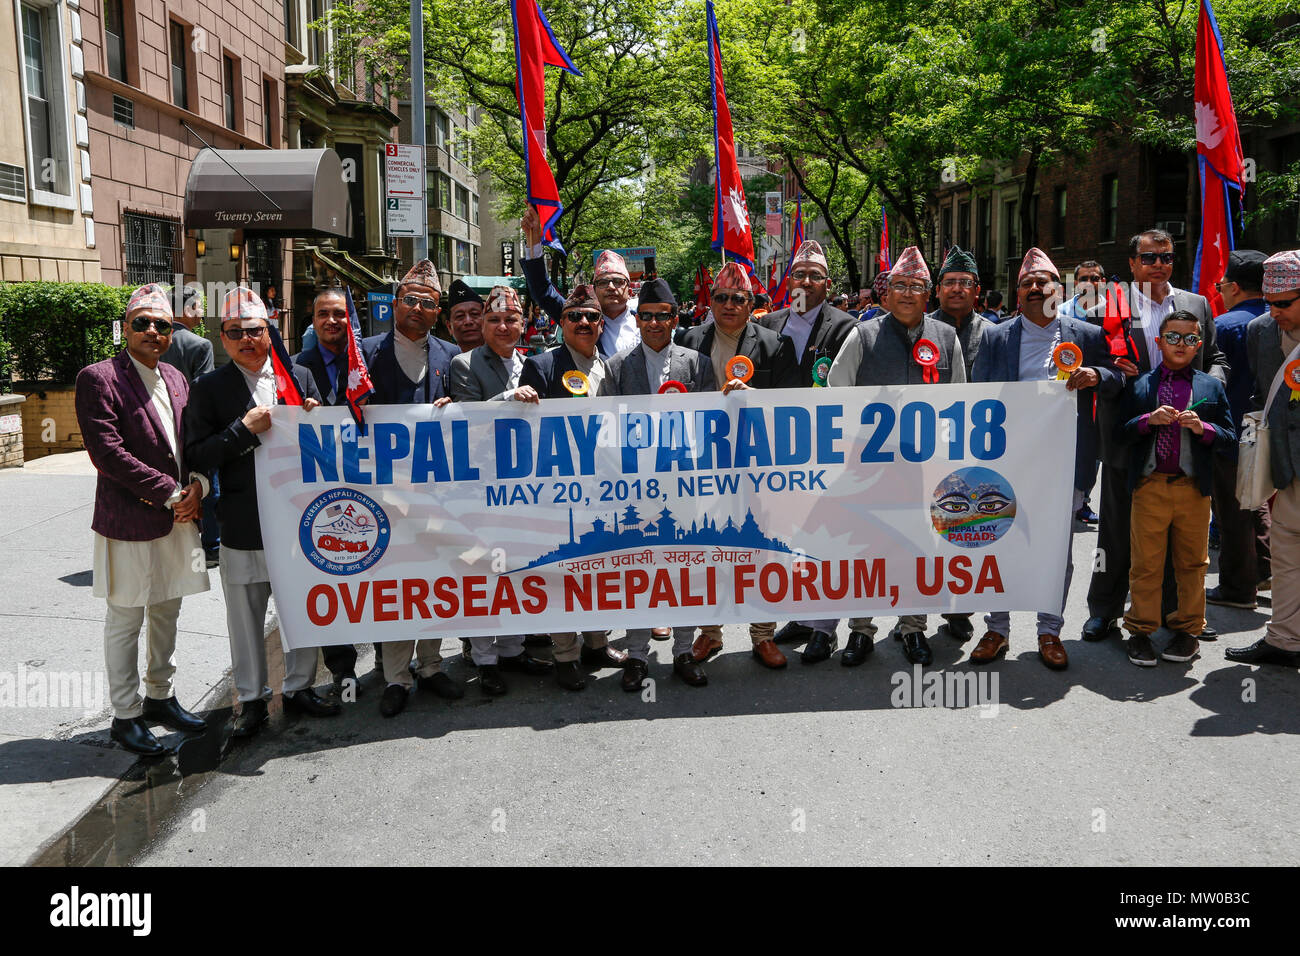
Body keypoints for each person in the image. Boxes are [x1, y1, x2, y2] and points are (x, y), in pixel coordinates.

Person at [184, 287, 341, 738]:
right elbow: (197, 453)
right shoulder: (209, 389)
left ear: (269, 331)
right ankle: (250, 700)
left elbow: (324, 444)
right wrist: (242, 430)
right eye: (235, 333)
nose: (247, 340)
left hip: (299, 521)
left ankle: (299, 687)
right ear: (223, 338)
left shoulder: (300, 375)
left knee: (302, 608)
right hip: (244, 523)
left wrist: (314, 414)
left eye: (255, 330)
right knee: (245, 616)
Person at [967, 249, 1121, 670]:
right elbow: (979, 396)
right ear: (1018, 294)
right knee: (997, 544)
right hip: (1009, 461)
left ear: (1059, 289)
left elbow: (1119, 375)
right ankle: (997, 628)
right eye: (1028, 284)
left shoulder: (1085, 335)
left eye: (1045, 283)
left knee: (1056, 550)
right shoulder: (997, 336)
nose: (1037, 290)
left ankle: (1049, 630)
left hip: (1066, 463)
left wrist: (1098, 376)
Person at [74, 283, 211, 756]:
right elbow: (107, 453)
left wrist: (197, 486)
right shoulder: (99, 378)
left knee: (168, 610)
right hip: (130, 521)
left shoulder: (175, 377)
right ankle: (125, 715)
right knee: (126, 617)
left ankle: (159, 697)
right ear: (126, 328)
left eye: (163, 325)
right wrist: (171, 494)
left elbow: (190, 442)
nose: (153, 331)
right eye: (142, 323)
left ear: (173, 332)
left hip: (178, 517)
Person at [1082, 228, 1228, 644]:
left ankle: (1177, 613)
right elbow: (1095, 367)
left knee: (1176, 530)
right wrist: (1109, 373)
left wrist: (1207, 386)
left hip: (1181, 436)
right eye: (1149, 258)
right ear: (1131, 264)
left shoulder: (1195, 304)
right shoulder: (1104, 306)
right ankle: (1105, 611)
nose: (1159, 264)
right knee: (1115, 528)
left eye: (1166, 256)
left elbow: (1216, 358)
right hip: (1128, 432)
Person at [824, 245, 966, 667]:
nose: (907, 293)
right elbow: (836, 390)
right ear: (885, 295)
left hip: (926, 468)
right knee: (867, 547)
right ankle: (861, 630)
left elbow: (959, 399)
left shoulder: (946, 338)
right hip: (869, 468)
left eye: (917, 286)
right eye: (899, 285)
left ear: (929, 294)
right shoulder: (864, 334)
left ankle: (912, 627)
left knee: (918, 548)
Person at [680, 262, 800, 669]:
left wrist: (755, 396)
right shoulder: (689, 339)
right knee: (706, 548)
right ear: (710, 301)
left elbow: (793, 405)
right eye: (721, 298)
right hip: (703, 463)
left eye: (738, 298)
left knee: (761, 548)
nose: (729, 305)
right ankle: (709, 634)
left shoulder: (774, 344)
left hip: (756, 463)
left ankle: (762, 634)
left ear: (752, 303)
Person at [361, 260, 466, 716]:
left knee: (437, 578)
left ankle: (431, 664)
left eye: (427, 303)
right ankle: (396, 675)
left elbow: (469, 417)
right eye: (410, 300)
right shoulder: (365, 354)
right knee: (398, 582)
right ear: (395, 304)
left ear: (437, 311)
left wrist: (456, 408)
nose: (418, 309)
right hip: (386, 492)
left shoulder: (448, 355)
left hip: (438, 491)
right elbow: (344, 413)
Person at [605, 277, 715, 689]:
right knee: (638, 571)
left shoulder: (697, 364)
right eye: (646, 316)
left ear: (674, 319)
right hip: (636, 487)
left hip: (685, 485)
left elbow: (711, 426)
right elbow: (606, 430)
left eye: (662, 316)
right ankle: (636, 655)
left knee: (686, 572)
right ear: (637, 319)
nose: (654, 323)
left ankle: (683, 651)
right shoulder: (617, 368)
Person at [754, 240, 861, 660]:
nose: (806, 281)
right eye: (799, 273)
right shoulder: (769, 324)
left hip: (827, 449)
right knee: (788, 536)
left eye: (815, 275)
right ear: (788, 279)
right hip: (777, 452)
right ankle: (800, 612)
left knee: (827, 534)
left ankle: (825, 627)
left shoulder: (845, 326)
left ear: (828, 284)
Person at [519, 284, 629, 690]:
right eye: (574, 316)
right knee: (562, 570)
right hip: (558, 492)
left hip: (606, 487)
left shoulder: (614, 366)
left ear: (602, 324)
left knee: (600, 568)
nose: (584, 323)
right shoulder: (542, 366)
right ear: (560, 322)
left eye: (592, 317)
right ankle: (565, 652)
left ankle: (597, 642)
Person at [448, 286, 555, 696]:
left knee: (516, 568)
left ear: (522, 325)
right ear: (483, 325)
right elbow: (466, 417)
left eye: (511, 320)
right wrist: (510, 398)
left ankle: (512, 649)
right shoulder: (464, 363)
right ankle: (485, 658)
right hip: (480, 485)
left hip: (522, 486)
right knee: (482, 573)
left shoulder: (531, 362)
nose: (503, 326)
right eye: (494, 320)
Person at [1115, 310, 1236, 666]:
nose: (1181, 344)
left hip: (1193, 489)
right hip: (1150, 486)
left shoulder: (1210, 387)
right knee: (1146, 564)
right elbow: (1121, 432)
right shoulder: (1140, 385)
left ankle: (1187, 631)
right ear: (1159, 342)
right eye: (1173, 337)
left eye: (1189, 338)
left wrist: (1204, 429)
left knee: (1192, 563)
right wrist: (1145, 421)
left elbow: (1229, 437)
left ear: (1199, 344)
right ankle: (1140, 630)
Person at [291, 287, 372, 696]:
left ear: (350, 319)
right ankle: (342, 668)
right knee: (332, 572)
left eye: (339, 314)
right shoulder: (296, 367)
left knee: (377, 573)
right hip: (322, 491)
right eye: (324, 314)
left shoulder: (369, 359)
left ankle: (389, 658)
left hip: (372, 483)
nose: (332, 322)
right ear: (314, 318)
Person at [1226, 249, 1300, 667]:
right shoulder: (1260, 332)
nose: (1274, 313)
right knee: (1288, 554)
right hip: (1288, 468)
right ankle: (1285, 640)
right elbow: (1262, 394)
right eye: (1270, 303)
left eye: (1285, 303)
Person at [1207, 250, 1272, 609]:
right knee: (1257, 502)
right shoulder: (1280, 318)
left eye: (1221, 286)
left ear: (1233, 287)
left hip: (1233, 431)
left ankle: (1237, 588)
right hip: (1270, 430)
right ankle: (1262, 569)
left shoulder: (1225, 325)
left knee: (1233, 511)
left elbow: (1212, 382)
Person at [520, 206, 638, 357]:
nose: (610, 287)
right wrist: (535, 240)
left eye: (618, 281)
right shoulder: (581, 319)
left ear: (629, 290)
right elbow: (543, 292)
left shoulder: (647, 321)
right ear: (594, 291)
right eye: (603, 282)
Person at [161, 285, 219, 565]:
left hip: (159, 424)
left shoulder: (156, 340)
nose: (202, 312)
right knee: (205, 482)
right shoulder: (200, 344)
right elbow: (203, 389)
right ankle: (211, 545)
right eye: (198, 306)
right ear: (185, 309)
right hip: (192, 424)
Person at [1063, 262, 1108, 523]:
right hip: (1069, 391)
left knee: (1095, 448)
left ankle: (1084, 500)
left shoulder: (1116, 312)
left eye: (1095, 278)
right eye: (1083, 278)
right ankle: (1067, 497)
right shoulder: (1061, 313)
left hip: (1101, 390)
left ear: (1103, 281)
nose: (1089, 282)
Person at [444, 278, 486, 351]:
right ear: (449, 327)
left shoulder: (507, 358)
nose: (468, 322)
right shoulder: (441, 361)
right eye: (460, 316)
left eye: (474, 314)